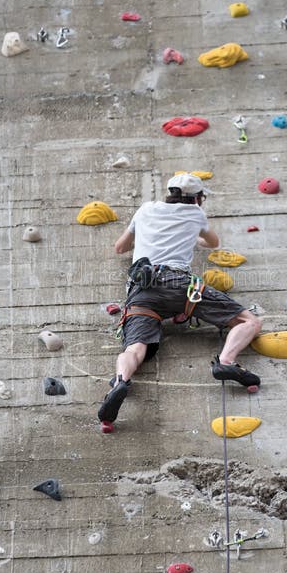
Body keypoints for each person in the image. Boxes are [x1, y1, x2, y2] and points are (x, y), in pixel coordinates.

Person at [98, 173, 263, 428]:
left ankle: (121, 381)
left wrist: (148, 237)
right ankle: (226, 362)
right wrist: (190, 235)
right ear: (197, 198)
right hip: (180, 286)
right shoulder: (196, 213)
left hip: (142, 289)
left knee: (134, 349)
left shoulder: (145, 209)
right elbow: (213, 243)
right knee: (248, 321)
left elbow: (120, 247)